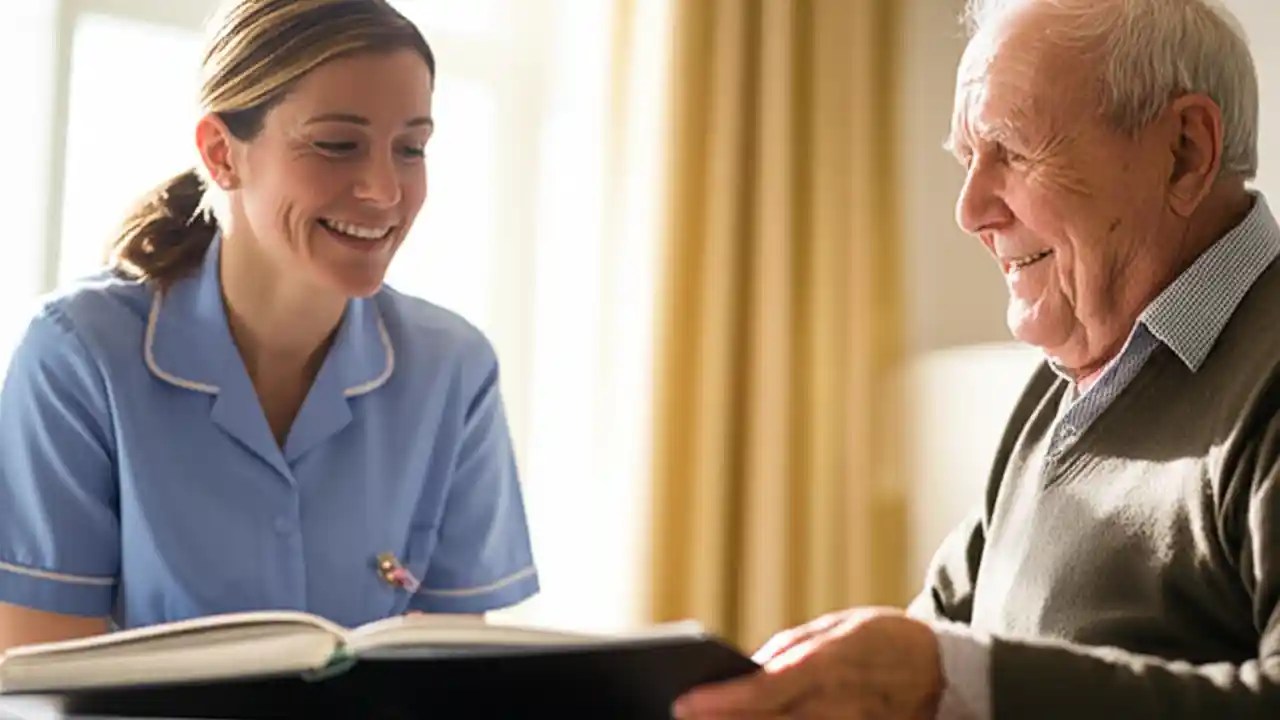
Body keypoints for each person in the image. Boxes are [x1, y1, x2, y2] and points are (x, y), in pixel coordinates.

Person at [674, 0, 1280, 717]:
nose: (970, 211)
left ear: (1184, 151)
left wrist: (956, 679)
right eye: (968, 160)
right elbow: (932, 653)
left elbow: (950, 673)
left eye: (1013, 151)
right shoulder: (1065, 389)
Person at [0, 0, 538, 652]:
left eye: (410, 149)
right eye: (337, 145)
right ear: (221, 153)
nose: (384, 190)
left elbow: (451, 671)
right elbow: (43, 676)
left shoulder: (453, 370)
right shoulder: (78, 354)